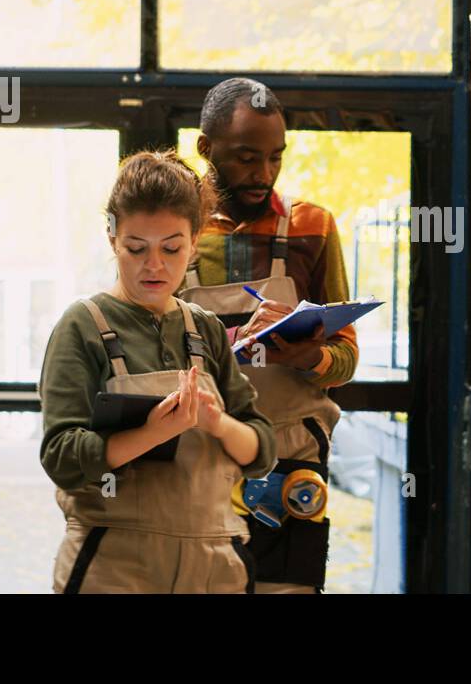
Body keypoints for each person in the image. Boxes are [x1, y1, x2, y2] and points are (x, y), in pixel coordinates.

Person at [39, 149, 276, 593]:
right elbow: (62, 457)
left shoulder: (204, 328)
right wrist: (152, 432)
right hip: (115, 565)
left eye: (172, 248)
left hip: (214, 566)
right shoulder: (82, 327)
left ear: (194, 241)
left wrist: (215, 423)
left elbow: (261, 449)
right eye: (136, 248)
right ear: (112, 237)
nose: (154, 265)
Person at [179, 77, 357, 594]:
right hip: (200, 457)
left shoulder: (313, 227)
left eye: (275, 157)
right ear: (206, 149)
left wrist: (313, 357)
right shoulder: (177, 235)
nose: (264, 174)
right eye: (246, 158)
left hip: (293, 458)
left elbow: (346, 357)